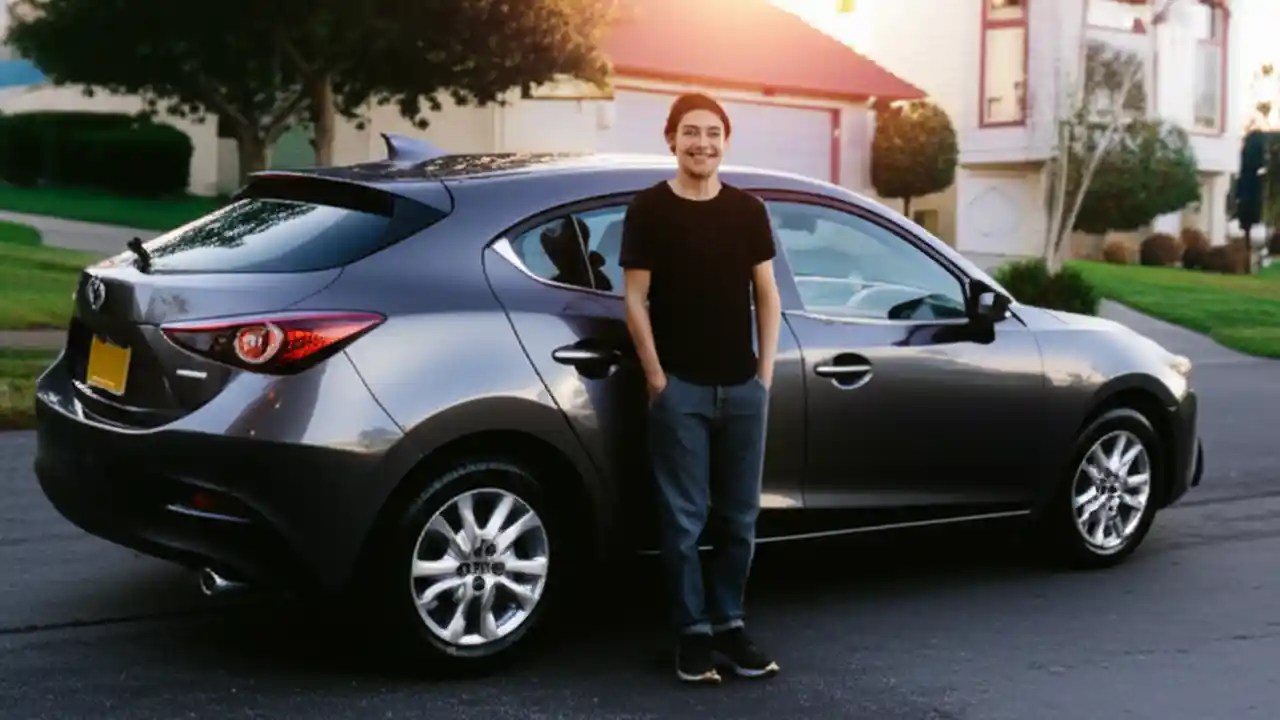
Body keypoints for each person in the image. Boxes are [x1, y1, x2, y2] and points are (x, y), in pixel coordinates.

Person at [619, 92, 783, 684]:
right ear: (671, 139)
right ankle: (692, 636)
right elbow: (634, 300)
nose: (702, 143)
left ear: (725, 141)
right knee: (684, 522)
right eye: (690, 132)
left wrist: (764, 375)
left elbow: (767, 294)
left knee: (739, 519)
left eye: (713, 133)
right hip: (681, 390)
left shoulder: (746, 211)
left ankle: (731, 627)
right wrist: (658, 378)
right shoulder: (650, 209)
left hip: (743, 389)